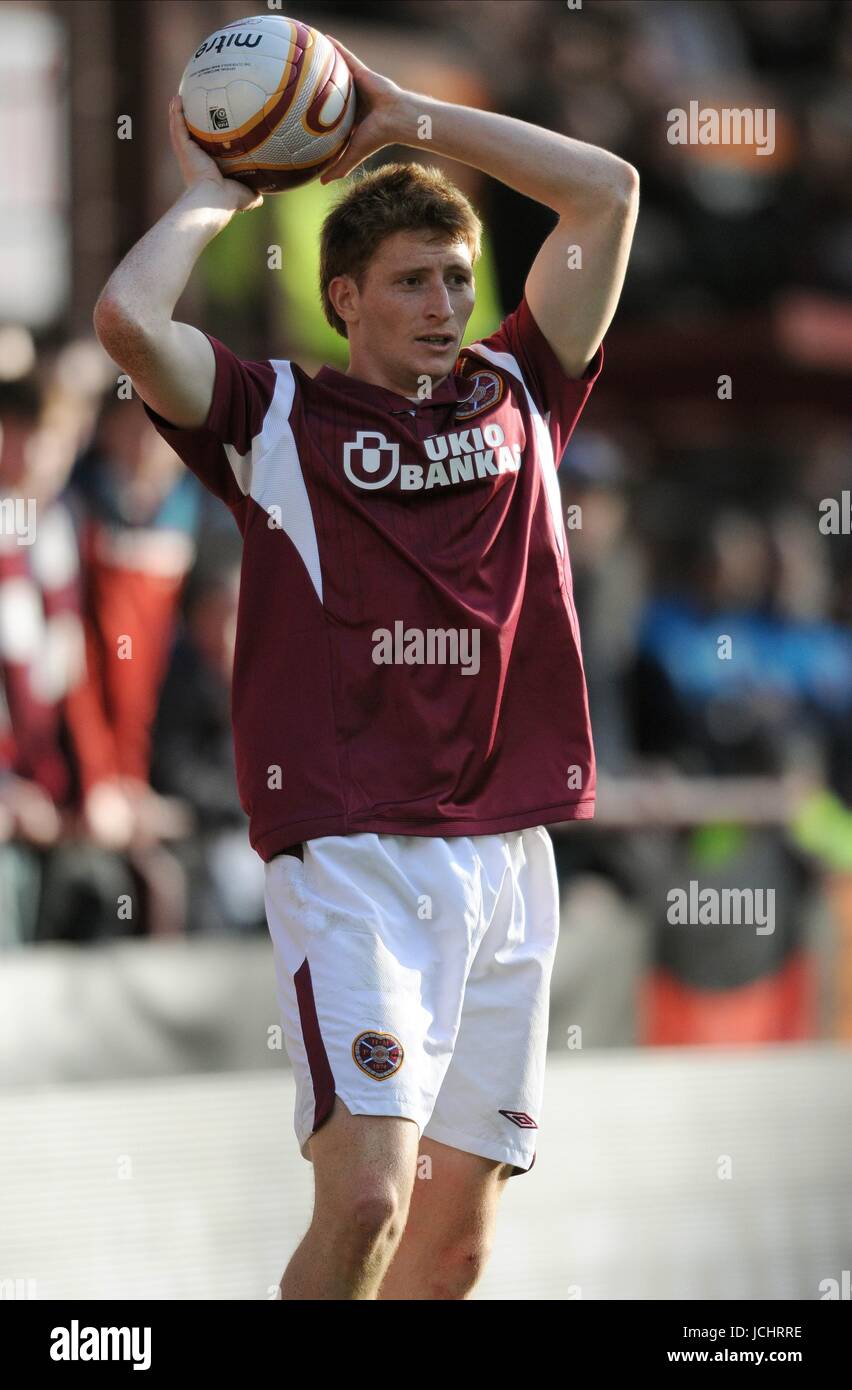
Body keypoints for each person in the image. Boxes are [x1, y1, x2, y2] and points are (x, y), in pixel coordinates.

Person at [92, 34, 638, 1300]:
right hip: (354, 854)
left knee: (449, 1255)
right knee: (370, 1204)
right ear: (344, 298)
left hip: (511, 852)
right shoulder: (273, 418)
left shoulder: (525, 388)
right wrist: (225, 186)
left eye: (456, 278)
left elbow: (608, 188)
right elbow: (128, 317)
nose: (446, 304)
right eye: (412, 283)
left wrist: (409, 121)